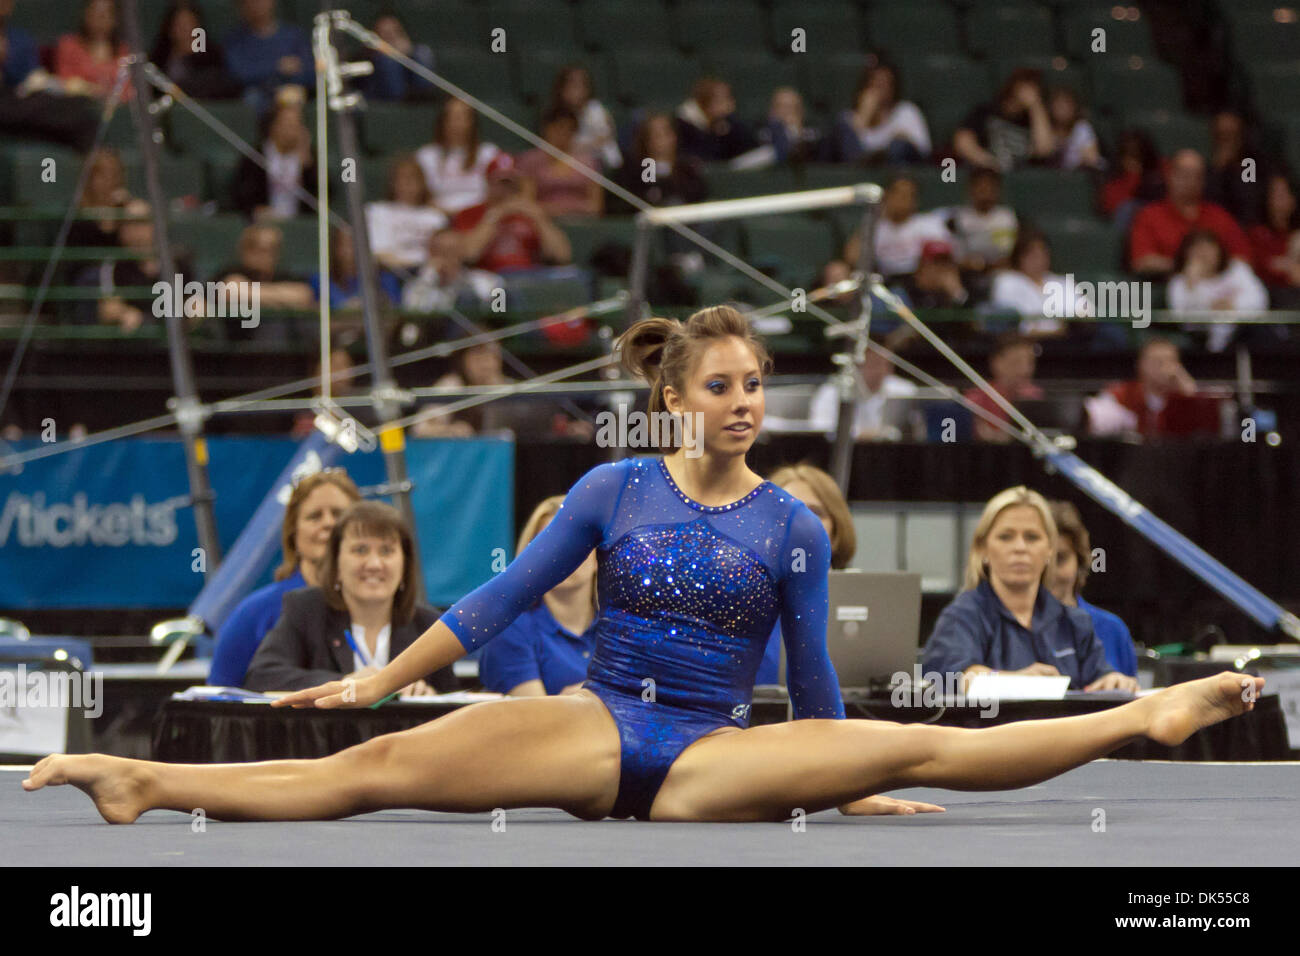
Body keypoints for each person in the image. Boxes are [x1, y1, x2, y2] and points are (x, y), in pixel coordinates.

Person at [25, 306, 1262, 825]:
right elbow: (498, 597)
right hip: (600, 726)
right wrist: (379, 677)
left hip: (716, 750)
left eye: (754, 385)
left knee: (925, 742)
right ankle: (140, 777)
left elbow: (811, 670)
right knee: (377, 765)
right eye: (721, 386)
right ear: (670, 395)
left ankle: (1147, 715)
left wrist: (834, 776)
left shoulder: (786, 520)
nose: (743, 402)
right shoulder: (615, 487)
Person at [922, 486, 1140, 693]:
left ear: (1049, 551)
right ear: (983, 549)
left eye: (1032, 537)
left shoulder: (1075, 623)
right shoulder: (961, 618)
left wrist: (1114, 682)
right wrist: (1014, 683)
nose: (1020, 547)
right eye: (1006, 536)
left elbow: (1101, 679)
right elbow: (950, 678)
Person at [244, 501, 457, 695]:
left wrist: (428, 696)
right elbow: (262, 676)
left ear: (404, 565)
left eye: (386, 551)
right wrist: (345, 683)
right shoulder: (306, 610)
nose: (374, 564)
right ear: (336, 564)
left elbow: (451, 704)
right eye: (360, 550)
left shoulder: (429, 626)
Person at [208, 470, 362, 687]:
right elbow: (217, 699)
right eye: (314, 516)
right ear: (293, 533)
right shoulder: (255, 612)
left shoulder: (379, 607)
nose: (328, 523)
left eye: (338, 514)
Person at [478, 496, 598, 696]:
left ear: (599, 556)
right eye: (550, 544)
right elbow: (533, 717)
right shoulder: (510, 627)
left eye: (577, 541)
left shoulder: (621, 626)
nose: (564, 554)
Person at [755, 464, 857, 685]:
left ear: (837, 529)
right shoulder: (736, 599)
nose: (803, 524)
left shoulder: (866, 598)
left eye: (816, 513)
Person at [1047, 501, 1138, 678]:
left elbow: (1135, 702)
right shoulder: (1005, 630)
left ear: (1080, 561)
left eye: (1060, 559)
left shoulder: (1113, 630)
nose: (1050, 574)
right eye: (1042, 562)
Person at [1128, 149, 1250, 277]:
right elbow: (1142, 262)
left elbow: (1243, 259)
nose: (1191, 181)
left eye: (1197, 175)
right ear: (1169, 175)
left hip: (1217, 289)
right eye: (1184, 174)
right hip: (1168, 287)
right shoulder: (1149, 216)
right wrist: (1185, 266)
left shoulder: (1219, 216)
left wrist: (1212, 268)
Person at [452, 154, 573, 273]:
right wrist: (495, 216)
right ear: (488, 183)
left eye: (511, 183)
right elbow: (468, 255)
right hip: (488, 279)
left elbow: (562, 256)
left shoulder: (531, 212)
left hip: (529, 277)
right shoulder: (469, 213)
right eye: (501, 183)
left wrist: (540, 221)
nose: (507, 189)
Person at [1167, 229, 1268, 352]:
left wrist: (1233, 305)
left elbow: (1260, 300)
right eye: (1197, 250)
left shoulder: (1237, 270)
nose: (1204, 255)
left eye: (1209, 249)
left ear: (1219, 251)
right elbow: (1185, 321)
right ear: (1186, 254)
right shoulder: (1179, 282)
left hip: (1242, 333)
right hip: (1202, 342)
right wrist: (1192, 286)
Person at [1084, 336, 1199, 438]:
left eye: (1170, 361)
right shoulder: (1121, 395)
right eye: (1157, 361)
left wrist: (1189, 390)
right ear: (1141, 365)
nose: (1164, 368)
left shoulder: (1183, 398)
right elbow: (1094, 419)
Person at [843, 175, 951, 280]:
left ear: (915, 200)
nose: (902, 199)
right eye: (897, 194)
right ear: (887, 196)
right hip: (883, 280)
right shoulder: (876, 226)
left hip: (919, 281)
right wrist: (876, 215)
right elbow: (852, 258)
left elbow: (944, 261)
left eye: (908, 195)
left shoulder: (927, 223)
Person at [988, 230, 1089, 337]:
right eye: (1032, 255)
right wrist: (1057, 330)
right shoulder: (1006, 281)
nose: (1038, 260)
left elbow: (1086, 316)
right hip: (1022, 345)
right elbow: (1010, 326)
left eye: (1043, 254)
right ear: (1019, 257)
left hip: (1065, 345)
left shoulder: (1064, 282)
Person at [231, 95, 316, 220]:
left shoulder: (308, 156)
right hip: (265, 223)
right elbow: (240, 192)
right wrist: (256, 210)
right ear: (273, 126)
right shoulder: (256, 155)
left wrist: (308, 167)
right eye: (287, 124)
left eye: (296, 125)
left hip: (299, 223)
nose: (291, 131)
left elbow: (322, 199)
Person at [809, 344, 918, 440]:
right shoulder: (831, 391)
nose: (882, 370)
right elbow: (820, 429)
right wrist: (863, 434)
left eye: (887, 364)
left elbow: (914, 431)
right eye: (875, 364)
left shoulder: (905, 390)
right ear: (858, 365)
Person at [953, 69, 1054, 171]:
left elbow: (1044, 149)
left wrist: (1035, 106)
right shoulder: (986, 111)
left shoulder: (1034, 120)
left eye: (1033, 89)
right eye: (1025, 86)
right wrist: (989, 163)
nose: (1028, 93)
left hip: (1022, 178)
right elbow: (962, 142)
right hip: (988, 173)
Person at [415, 97, 502, 216]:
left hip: (480, 216)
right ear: (442, 121)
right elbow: (420, 197)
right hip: (439, 217)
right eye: (450, 117)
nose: (456, 123)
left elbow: (499, 193)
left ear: (473, 122)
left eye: (462, 117)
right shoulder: (426, 155)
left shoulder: (489, 153)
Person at [513, 107, 603, 217]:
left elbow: (596, 206)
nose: (563, 133)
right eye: (559, 127)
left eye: (570, 129)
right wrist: (556, 211)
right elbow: (527, 201)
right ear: (546, 129)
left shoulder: (588, 162)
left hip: (581, 221)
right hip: (543, 222)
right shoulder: (530, 161)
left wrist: (568, 211)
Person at [223, 0, 311, 112]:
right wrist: (277, 67)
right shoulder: (235, 40)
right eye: (249, 2)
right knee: (253, 97)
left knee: (294, 95)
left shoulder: (294, 35)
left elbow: (310, 71)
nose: (257, 6)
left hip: (293, 90)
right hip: (259, 96)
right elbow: (238, 74)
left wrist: (293, 76)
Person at [834, 62, 930, 164]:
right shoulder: (849, 117)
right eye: (875, 83)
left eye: (885, 83)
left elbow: (924, 150)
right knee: (842, 128)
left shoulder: (906, 111)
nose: (880, 88)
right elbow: (851, 151)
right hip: (857, 174)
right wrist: (865, 114)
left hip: (896, 173)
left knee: (898, 146)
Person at [365, 155, 449, 271]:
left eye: (412, 178)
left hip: (430, 275)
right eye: (401, 178)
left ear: (422, 182)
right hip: (392, 274)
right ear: (392, 182)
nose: (407, 183)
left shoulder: (435, 216)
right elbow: (378, 254)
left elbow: (444, 258)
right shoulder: (377, 211)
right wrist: (413, 266)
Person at [611, 111, 707, 213]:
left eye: (667, 133)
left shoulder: (687, 168)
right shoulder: (633, 170)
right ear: (646, 140)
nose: (663, 140)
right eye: (656, 135)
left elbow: (698, 197)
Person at [964, 332, 1044, 443]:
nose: (1026, 370)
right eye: (1016, 362)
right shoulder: (974, 400)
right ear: (996, 363)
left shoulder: (1037, 398)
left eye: (1030, 362)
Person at [149, 1, 237, 99]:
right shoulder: (159, 56)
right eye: (179, 24)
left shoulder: (212, 57)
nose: (184, 30)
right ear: (170, 28)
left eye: (188, 24)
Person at [401, 227, 501, 314]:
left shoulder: (486, 281)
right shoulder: (416, 284)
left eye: (454, 250)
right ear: (431, 253)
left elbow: (495, 313)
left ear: (463, 251)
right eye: (442, 251)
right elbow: (414, 312)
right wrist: (431, 278)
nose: (449, 257)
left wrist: (459, 281)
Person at [310, 225, 403, 310]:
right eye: (346, 244)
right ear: (336, 248)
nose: (352, 251)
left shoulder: (386, 279)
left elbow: (394, 314)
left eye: (358, 244)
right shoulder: (321, 279)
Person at [54, 0, 132, 100]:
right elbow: (66, 84)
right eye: (96, 13)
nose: (100, 19)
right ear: (86, 14)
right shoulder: (68, 46)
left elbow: (128, 91)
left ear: (115, 19)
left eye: (106, 14)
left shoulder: (125, 52)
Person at [548, 64, 620, 170]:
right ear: (562, 88)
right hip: (568, 167)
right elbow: (561, 148)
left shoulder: (596, 109)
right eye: (572, 85)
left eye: (582, 85)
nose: (577, 90)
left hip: (602, 164)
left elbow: (606, 138)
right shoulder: (555, 115)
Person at [947, 167, 1018, 274]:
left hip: (1000, 272)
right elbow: (954, 256)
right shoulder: (958, 218)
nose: (985, 190)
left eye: (990, 186)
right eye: (980, 186)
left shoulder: (1007, 217)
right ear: (970, 189)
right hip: (966, 272)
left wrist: (989, 265)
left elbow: (1010, 254)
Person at [674, 75, 757, 163]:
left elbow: (748, 147)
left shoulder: (727, 123)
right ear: (705, 103)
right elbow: (708, 158)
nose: (730, 104)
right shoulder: (683, 126)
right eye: (723, 100)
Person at [1100, 129, 1165, 229]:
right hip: (1129, 231)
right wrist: (1133, 177)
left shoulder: (1161, 171)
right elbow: (1112, 207)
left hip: (1159, 222)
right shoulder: (1114, 182)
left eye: (1138, 156)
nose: (1133, 162)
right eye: (1129, 155)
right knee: (1127, 209)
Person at [364, 13, 435, 101]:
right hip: (380, 92)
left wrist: (407, 53)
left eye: (396, 32)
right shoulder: (368, 56)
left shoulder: (415, 54)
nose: (392, 37)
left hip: (413, 90)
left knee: (423, 52)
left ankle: (424, 100)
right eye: (386, 34)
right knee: (389, 61)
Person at [1248, 173, 1300, 292]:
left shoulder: (1296, 234)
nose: (1278, 199)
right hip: (1269, 294)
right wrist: (1291, 265)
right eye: (1274, 194)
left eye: (1283, 194)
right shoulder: (1257, 234)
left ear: (1293, 200)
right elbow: (1261, 268)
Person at [755, 87, 827, 166]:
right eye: (780, 107)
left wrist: (795, 132)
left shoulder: (812, 131)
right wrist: (779, 128)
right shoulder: (762, 131)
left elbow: (809, 156)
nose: (786, 112)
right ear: (772, 110)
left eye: (791, 107)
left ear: (801, 111)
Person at [1045, 87, 1101, 171]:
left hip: (1081, 175)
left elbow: (1091, 159)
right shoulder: (1046, 128)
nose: (1063, 109)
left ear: (1074, 108)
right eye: (1059, 105)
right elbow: (1043, 151)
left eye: (1066, 105)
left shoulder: (1082, 127)